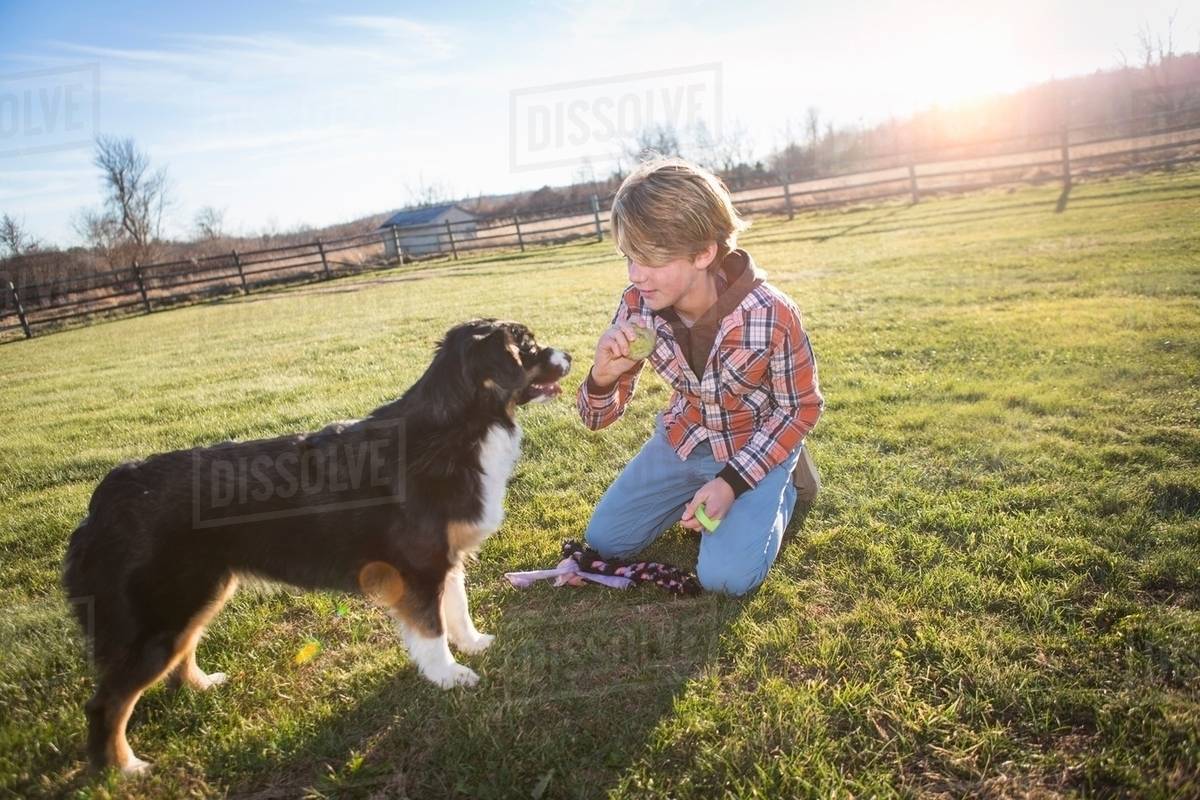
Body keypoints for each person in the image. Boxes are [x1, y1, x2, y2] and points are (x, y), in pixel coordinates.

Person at [577, 156, 824, 596]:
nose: (635, 275)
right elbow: (597, 418)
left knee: (725, 580)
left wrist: (732, 482)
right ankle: (696, 490)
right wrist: (602, 378)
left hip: (754, 444)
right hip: (685, 438)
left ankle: (782, 485)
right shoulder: (637, 305)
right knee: (605, 541)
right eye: (629, 258)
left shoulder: (772, 313)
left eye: (650, 259)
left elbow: (801, 408)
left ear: (704, 253)